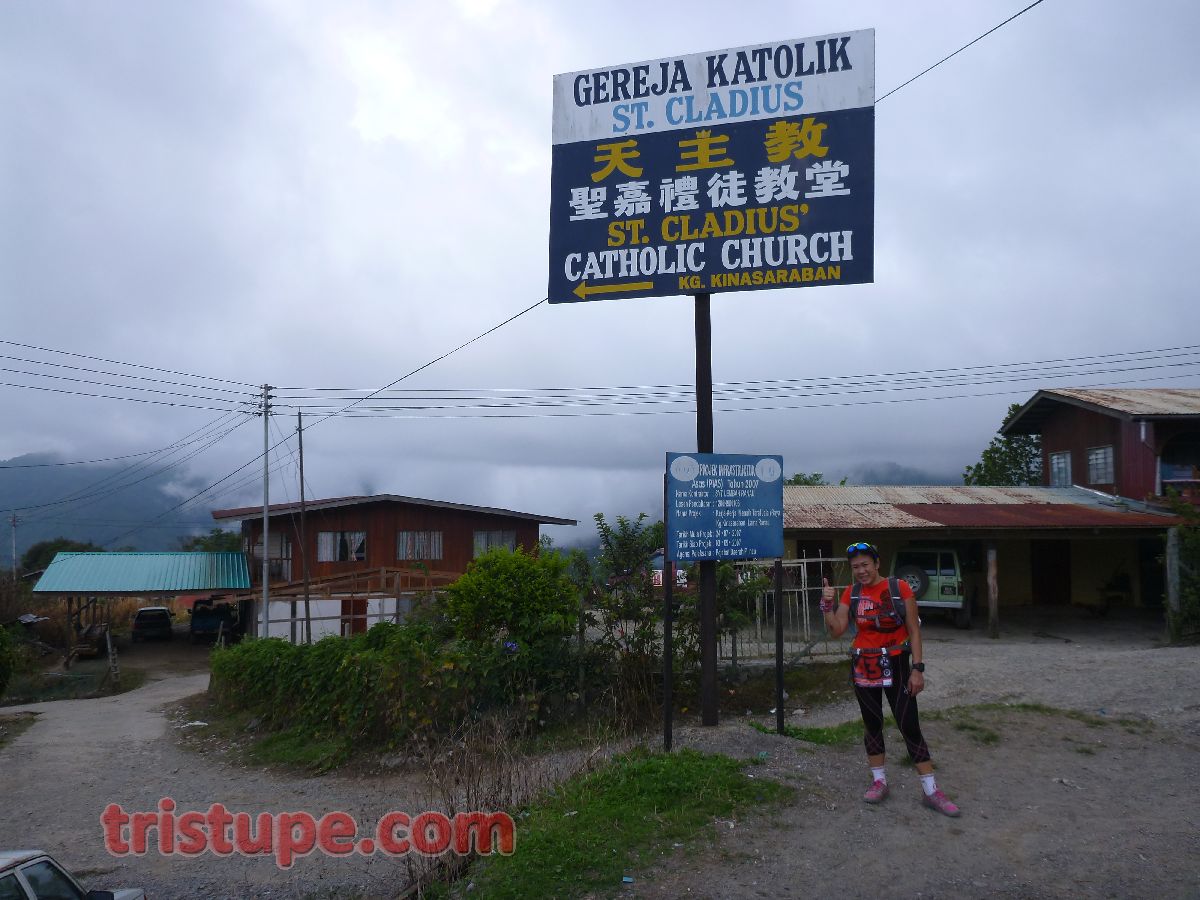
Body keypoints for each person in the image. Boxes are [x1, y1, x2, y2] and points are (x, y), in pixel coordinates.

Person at [820, 541, 960, 817]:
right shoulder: (852, 593)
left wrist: (917, 668)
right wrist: (827, 604)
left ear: (877, 563)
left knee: (909, 724)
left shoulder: (899, 588)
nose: (861, 571)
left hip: (896, 662)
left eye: (865, 565)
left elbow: (914, 631)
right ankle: (879, 781)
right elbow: (837, 629)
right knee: (872, 723)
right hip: (864, 664)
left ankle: (931, 790)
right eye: (855, 567)